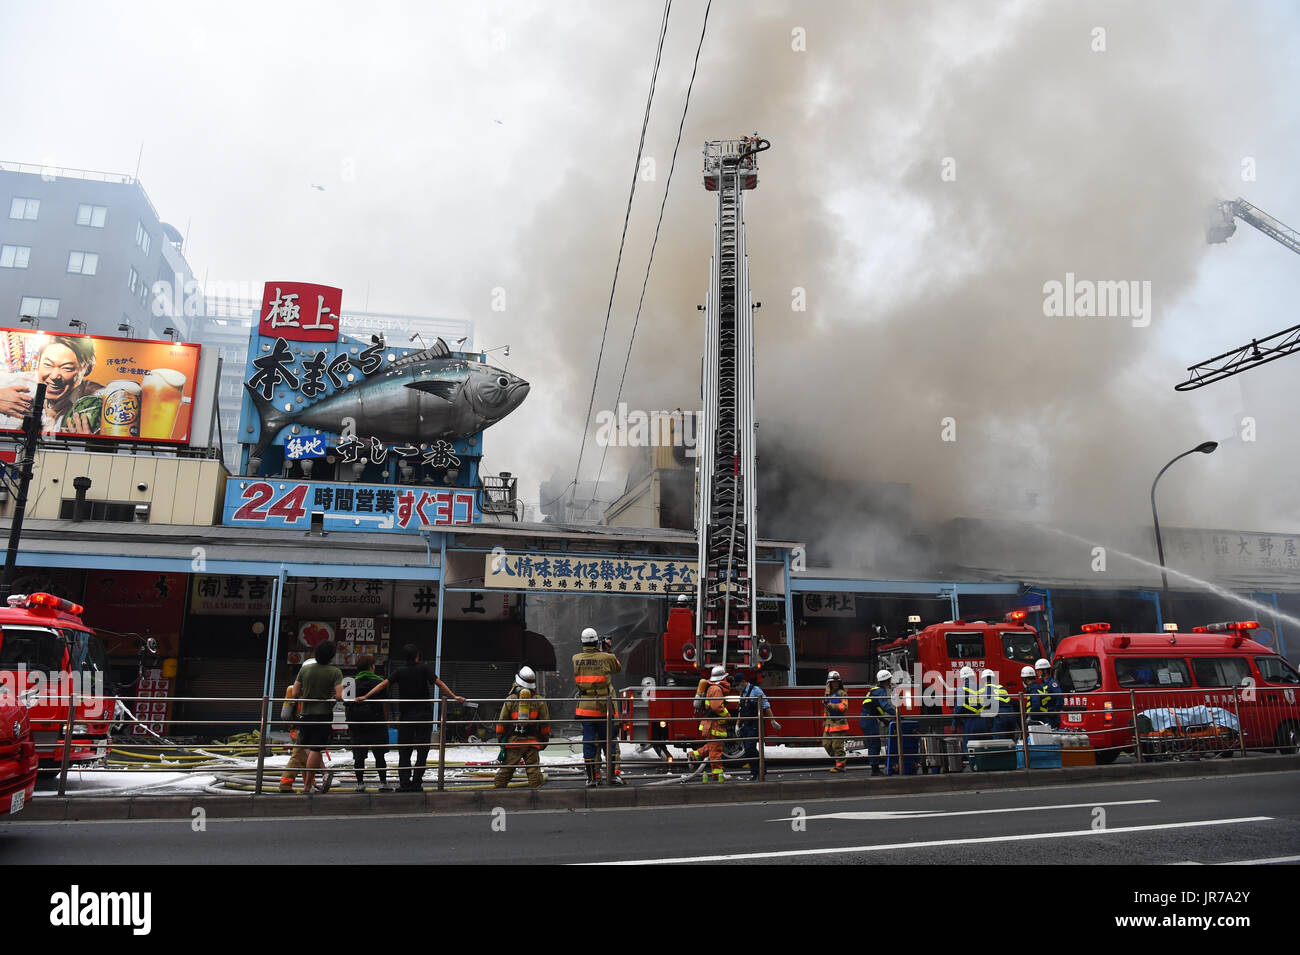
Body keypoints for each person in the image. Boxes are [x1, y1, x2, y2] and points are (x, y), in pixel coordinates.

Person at [356, 644, 465, 792]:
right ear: (417, 656)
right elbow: (439, 683)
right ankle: (417, 783)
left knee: (404, 750)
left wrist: (365, 696)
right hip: (424, 716)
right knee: (422, 750)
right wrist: (454, 696)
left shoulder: (399, 671)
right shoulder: (424, 669)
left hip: (406, 716)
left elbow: (383, 685)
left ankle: (405, 784)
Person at [0, 335, 100, 433]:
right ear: (38, 361)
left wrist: (89, 443)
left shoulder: (98, 401)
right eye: (48, 365)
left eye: (67, 368)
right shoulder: (13, 383)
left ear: (87, 369)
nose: (54, 376)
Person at [572, 627, 624, 787]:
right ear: (596, 642)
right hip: (603, 708)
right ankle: (613, 776)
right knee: (609, 741)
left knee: (588, 742)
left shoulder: (576, 658)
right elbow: (617, 667)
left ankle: (591, 778)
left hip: (585, 709)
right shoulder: (607, 657)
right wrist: (606, 650)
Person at [292, 641, 344, 794]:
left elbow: (294, 693)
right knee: (315, 749)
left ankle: (322, 773)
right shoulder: (335, 672)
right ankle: (308, 785)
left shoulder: (305, 669)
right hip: (323, 715)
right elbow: (340, 695)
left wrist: (307, 695)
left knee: (309, 747)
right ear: (332, 656)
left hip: (306, 714)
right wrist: (332, 697)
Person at [493, 666, 550, 789]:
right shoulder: (540, 701)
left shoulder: (511, 699)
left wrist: (501, 740)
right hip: (532, 742)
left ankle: (496, 793)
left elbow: (502, 722)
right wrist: (545, 740)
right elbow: (545, 723)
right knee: (533, 770)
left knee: (506, 770)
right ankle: (537, 796)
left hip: (514, 742)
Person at [346, 654, 391, 792]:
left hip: (357, 724)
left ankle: (360, 784)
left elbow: (347, 706)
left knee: (359, 756)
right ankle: (383, 783)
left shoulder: (349, 682)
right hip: (377, 722)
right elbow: (384, 705)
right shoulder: (380, 682)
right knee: (379, 754)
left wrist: (349, 723)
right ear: (372, 667)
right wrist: (386, 722)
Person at [732, 670, 780, 781]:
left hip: (754, 724)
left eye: (738, 684)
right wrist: (737, 724)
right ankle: (756, 772)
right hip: (746, 725)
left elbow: (766, 705)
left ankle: (760, 769)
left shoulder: (756, 690)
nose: (737, 687)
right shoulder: (742, 693)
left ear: (743, 682)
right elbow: (741, 709)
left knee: (750, 747)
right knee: (748, 750)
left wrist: (772, 721)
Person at [688, 665, 730, 783]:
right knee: (716, 750)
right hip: (713, 724)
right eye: (725, 678)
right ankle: (718, 774)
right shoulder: (716, 689)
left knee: (713, 746)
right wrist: (727, 716)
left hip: (710, 723)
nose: (727, 680)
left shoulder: (711, 688)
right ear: (722, 678)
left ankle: (694, 755)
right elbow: (716, 707)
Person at [860, 668, 897, 777]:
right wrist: (896, 714)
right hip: (869, 719)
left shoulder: (874, 689)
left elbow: (874, 708)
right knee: (874, 744)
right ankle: (874, 769)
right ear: (887, 681)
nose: (891, 682)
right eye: (890, 680)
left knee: (874, 743)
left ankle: (874, 767)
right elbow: (885, 706)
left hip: (867, 719)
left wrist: (884, 720)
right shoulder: (881, 691)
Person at [951, 665, 983, 758]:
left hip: (970, 722)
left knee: (969, 747)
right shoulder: (981, 687)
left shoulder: (962, 689)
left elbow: (958, 710)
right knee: (983, 746)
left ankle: (973, 765)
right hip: (982, 721)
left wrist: (954, 725)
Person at [823, 670, 850, 773]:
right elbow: (826, 710)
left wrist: (832, 706)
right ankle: (839, 760)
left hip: (839, 724)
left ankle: (840, 765)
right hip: (828, 724)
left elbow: (844, 707)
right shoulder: (827, 695)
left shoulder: (842, 693)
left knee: (837, 746)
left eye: (836, 682)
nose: (835, 684)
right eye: (832, 682)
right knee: (826, 744)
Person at [981, 668, 1018, 737]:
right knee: (1010, 741)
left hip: (1000, 716)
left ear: (984, 680)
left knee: (999, 741)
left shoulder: (986, 688)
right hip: (1011, 714)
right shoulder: (1002, 687)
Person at [1033, 658, 1062, 729]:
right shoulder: (1042, 684)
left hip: (1052, 717)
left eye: (1039, 670)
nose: (1037, 672)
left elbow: (1059, 697)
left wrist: (1055, 711)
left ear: (1045, 670)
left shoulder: (1052, 683)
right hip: (1046, 715)